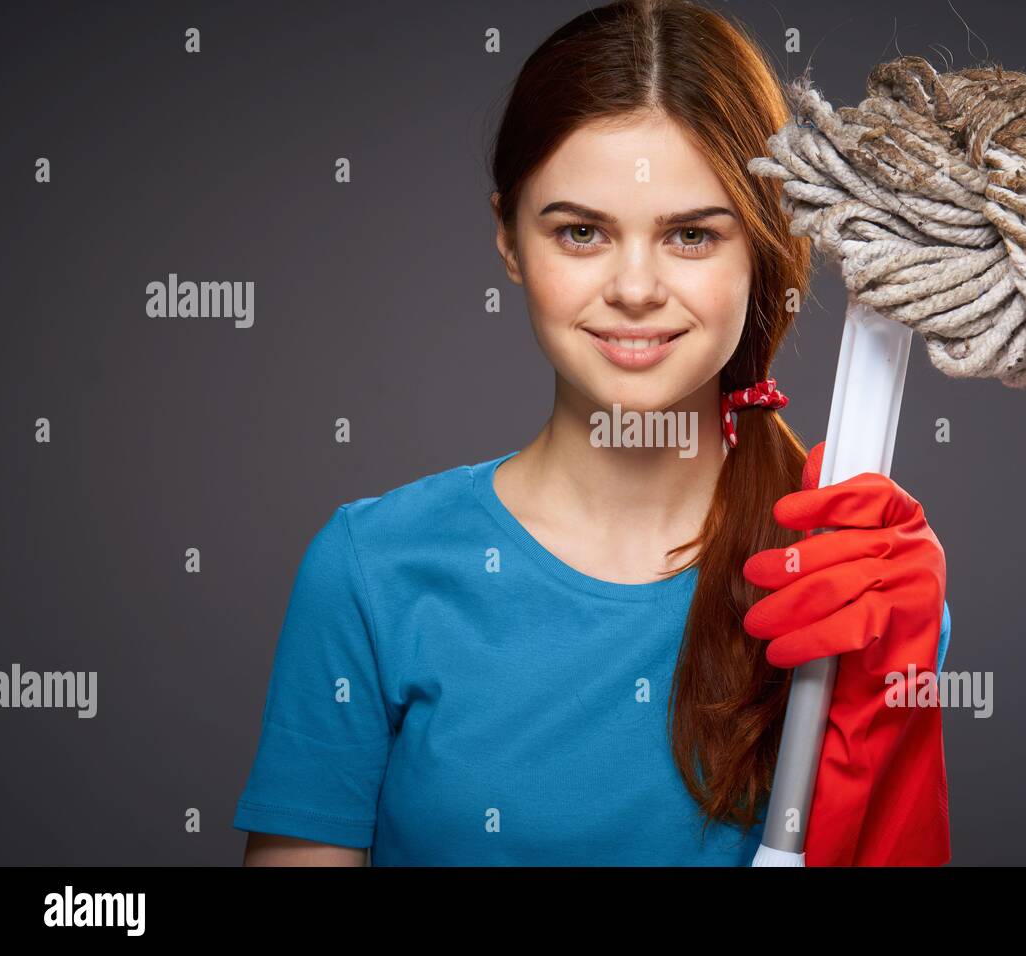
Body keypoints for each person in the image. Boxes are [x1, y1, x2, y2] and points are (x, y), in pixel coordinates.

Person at [233, 0, 951, 867]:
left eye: (691, 235)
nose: (636, 288)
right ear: (508, 239)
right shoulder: (371, 572)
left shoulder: (843, 576)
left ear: (759, 247)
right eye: (581, 232)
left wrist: (894, 702)